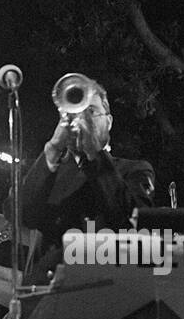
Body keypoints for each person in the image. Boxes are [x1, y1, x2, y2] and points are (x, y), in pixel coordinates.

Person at [16, 78, 154, 285]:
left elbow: (134, 224)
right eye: (75, 113)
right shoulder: (51, 170)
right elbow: (21, 216)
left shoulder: (134, 170)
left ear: (108, 121)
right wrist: (53, 148)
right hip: (47, 289)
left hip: (110, 289)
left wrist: (93, 151)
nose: (82, 119)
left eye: (90, 112)